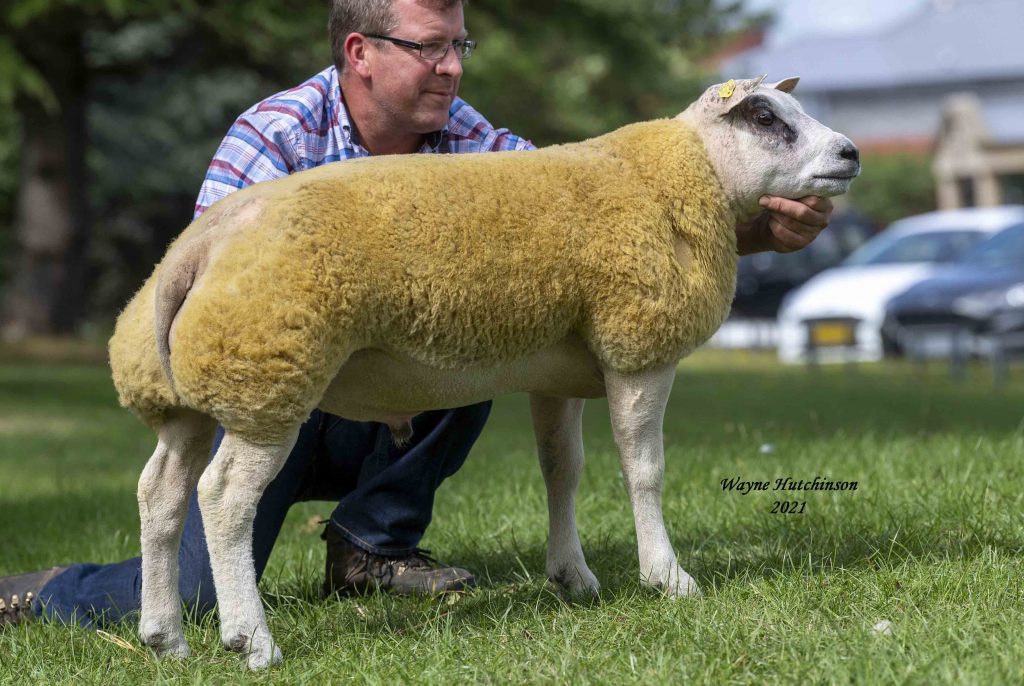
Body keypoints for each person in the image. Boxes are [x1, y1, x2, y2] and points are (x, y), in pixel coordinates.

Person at [0, 0, 833, 627]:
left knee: (497, 321)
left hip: (396, 387)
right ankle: (46, 595)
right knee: (200, 581)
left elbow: (583, 224)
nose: (452, 68)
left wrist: (750, 231)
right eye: (428, 47)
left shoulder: (460, 134)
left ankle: (372, 545)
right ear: (360, 53)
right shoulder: (277, 137)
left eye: (458, 45)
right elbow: (226, 305)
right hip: (282, 390)